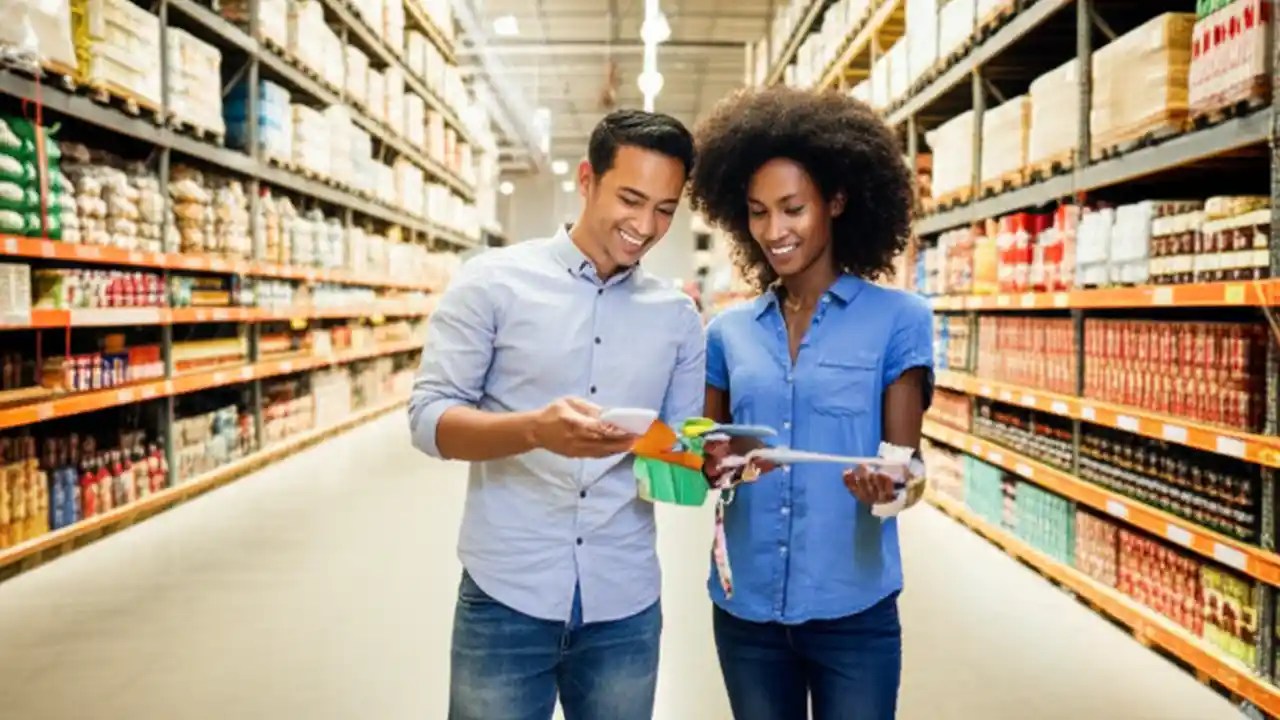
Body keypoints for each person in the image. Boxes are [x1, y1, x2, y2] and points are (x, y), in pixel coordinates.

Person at [408, 109, 705, 720]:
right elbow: (428, 421)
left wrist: (717, 461)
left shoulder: (676, 316)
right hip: (506, 595)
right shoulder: (492, 283)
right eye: (631, 198)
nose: (646, 226)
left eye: (665, 209)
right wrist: (533, 431)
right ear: (587, 180)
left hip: (623, 603)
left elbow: (676, 452)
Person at [689, 86, 933, 719]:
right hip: (747, 611)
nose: (775, 230)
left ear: (838, 201)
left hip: (852, 612)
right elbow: (700, 458)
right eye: (758, 212)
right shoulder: (728, 333)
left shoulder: (898, 319)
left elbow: (908, 467)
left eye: (793, 208)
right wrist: (711, 461)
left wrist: (892, 487)